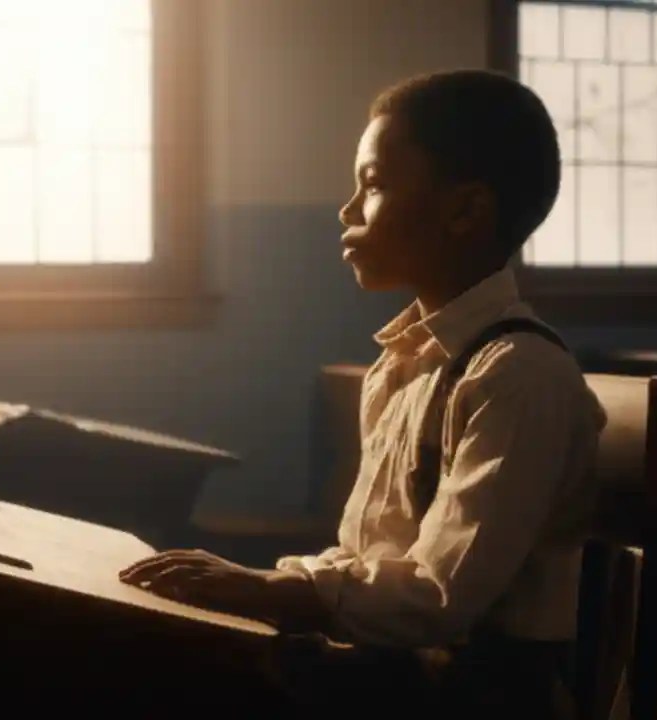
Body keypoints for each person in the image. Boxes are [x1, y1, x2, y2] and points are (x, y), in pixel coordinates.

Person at [119, 68, 608, 717]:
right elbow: (368, 557)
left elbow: (438, 595)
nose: (348, 211)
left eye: (373, 184)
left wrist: (268, 592)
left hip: (495, 694)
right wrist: (274, 587)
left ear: (465, 211)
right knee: (162, 652)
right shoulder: (403, 364)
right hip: (415, 673)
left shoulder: (516, 371)